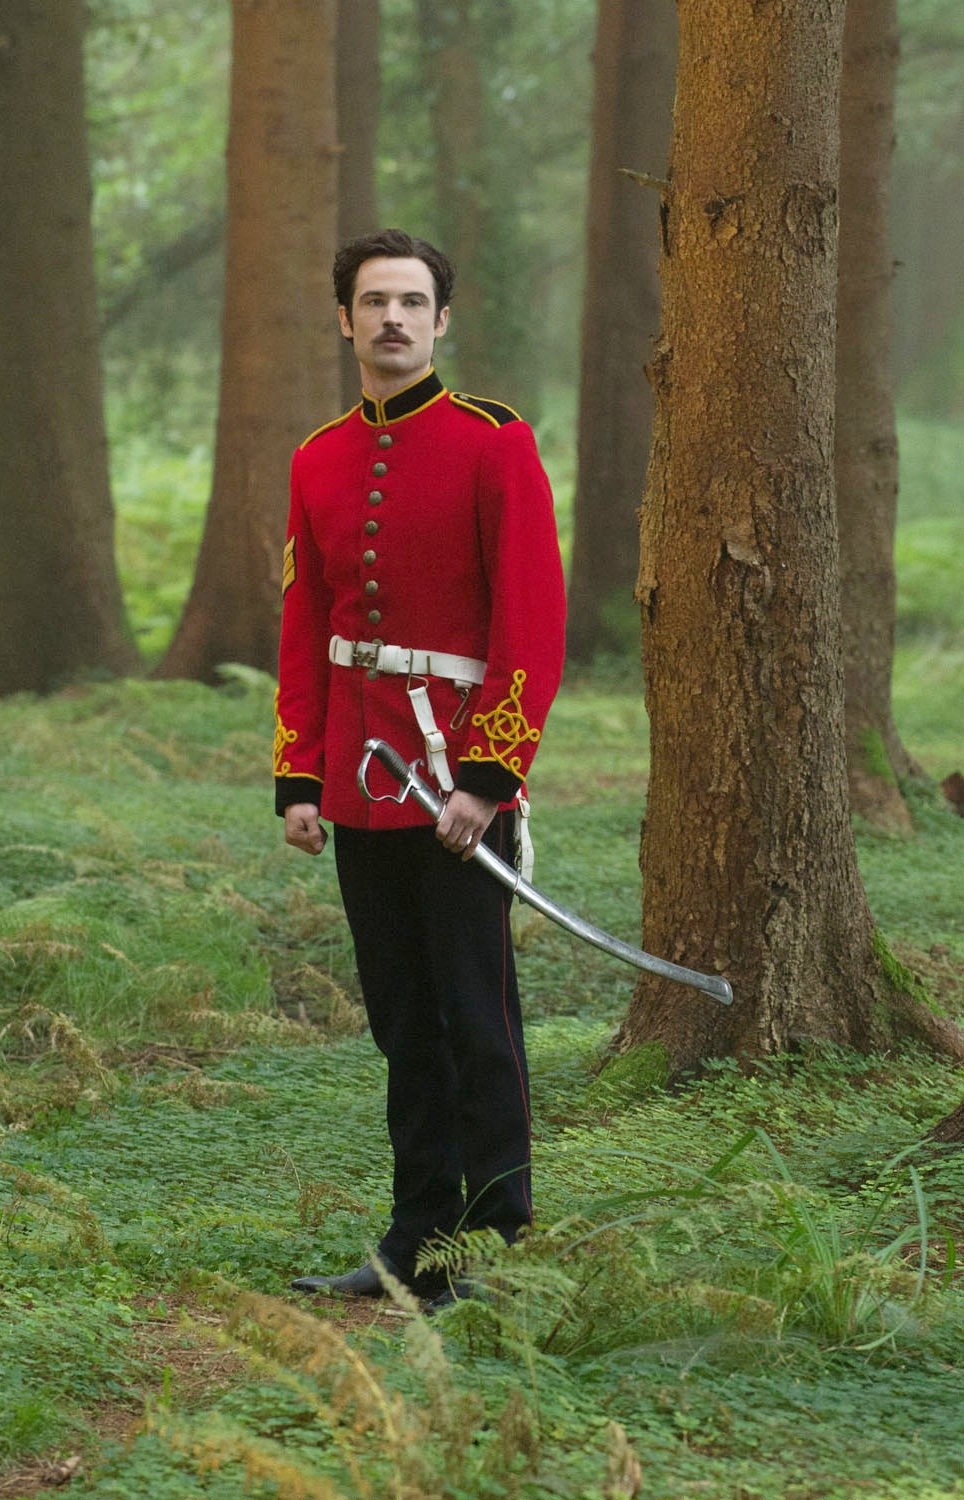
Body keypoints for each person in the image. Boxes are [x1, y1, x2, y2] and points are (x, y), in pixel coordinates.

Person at [276, 228, 566, 1305]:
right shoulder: (315, 458)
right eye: (372, 302)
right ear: (343, 320)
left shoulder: (495, 444)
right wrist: (300, 779)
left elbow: (530, 625)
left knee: (471, 1016)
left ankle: (486, 1245)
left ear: (441, 321)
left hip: (455, 778)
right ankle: (410, 1239)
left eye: (412, 302)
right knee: (400, 1018)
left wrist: (486, 780)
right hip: (360, 783)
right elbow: (307, 625)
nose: (392, 318)